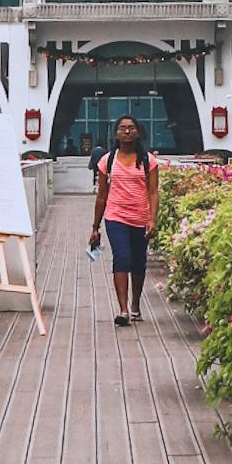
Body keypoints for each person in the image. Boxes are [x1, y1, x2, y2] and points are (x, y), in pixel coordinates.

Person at [89, 116, 160, 325]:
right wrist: (95, 226)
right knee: (122, 258)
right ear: (116, 133)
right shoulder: (107, 161)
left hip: (140, 218)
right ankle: (123, 310)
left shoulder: (148, 161)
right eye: (122, 128)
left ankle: (135, 305)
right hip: (115, 217)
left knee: (139, 262)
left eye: (131, 128)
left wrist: (152, 219)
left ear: (138, 132)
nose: (127, 132)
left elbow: (153, 192)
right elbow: (101, 195)